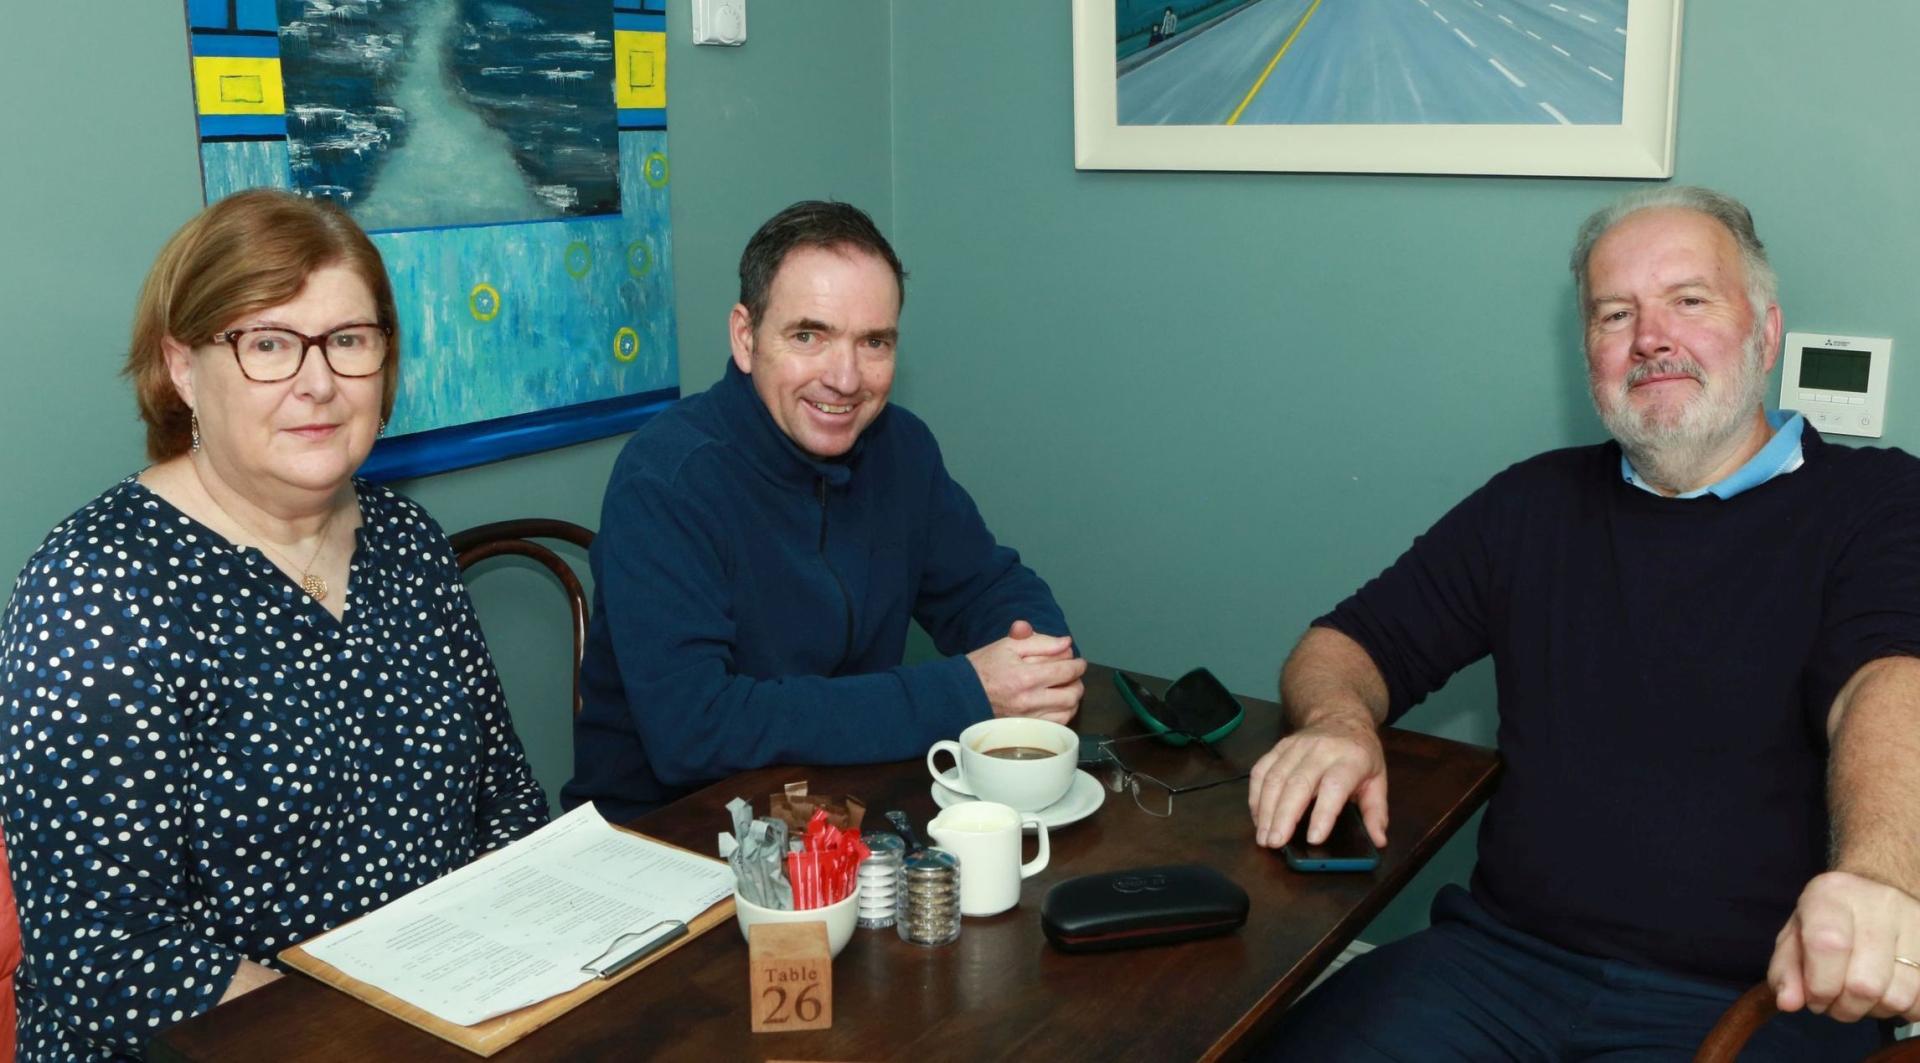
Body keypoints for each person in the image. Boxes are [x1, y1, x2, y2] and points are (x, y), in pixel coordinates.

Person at [1249, 186, 1920, 1061]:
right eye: (1616, 314)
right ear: (1590, 352)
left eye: (1689, 299)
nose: (1651, 337)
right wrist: (1339, 720)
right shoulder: (1533, 502)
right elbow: (1346, 642)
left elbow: (1889, 681)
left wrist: (1876, 877)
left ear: (1765, 330)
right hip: (1491, 966)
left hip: (1758, 992)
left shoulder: (1877, 504)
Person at [0, 189, 549, 1062]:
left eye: (349, 340)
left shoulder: (408, 544)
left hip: (450, 1016)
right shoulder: (96, 591)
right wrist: (366, 1036)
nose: (319, 381)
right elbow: (107, 954)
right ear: (182, 368)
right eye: (267, 343)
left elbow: (506, 803)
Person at [564, 200, 1084, 822]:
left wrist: (1034, 663)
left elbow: (989, 587)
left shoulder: (901, 446)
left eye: (874, 342)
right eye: (809, 335)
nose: (845, 377)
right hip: (669, 837)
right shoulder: (667, 480)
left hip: (842, 809)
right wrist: (966, 691)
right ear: (745, 337)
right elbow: (695, 732)